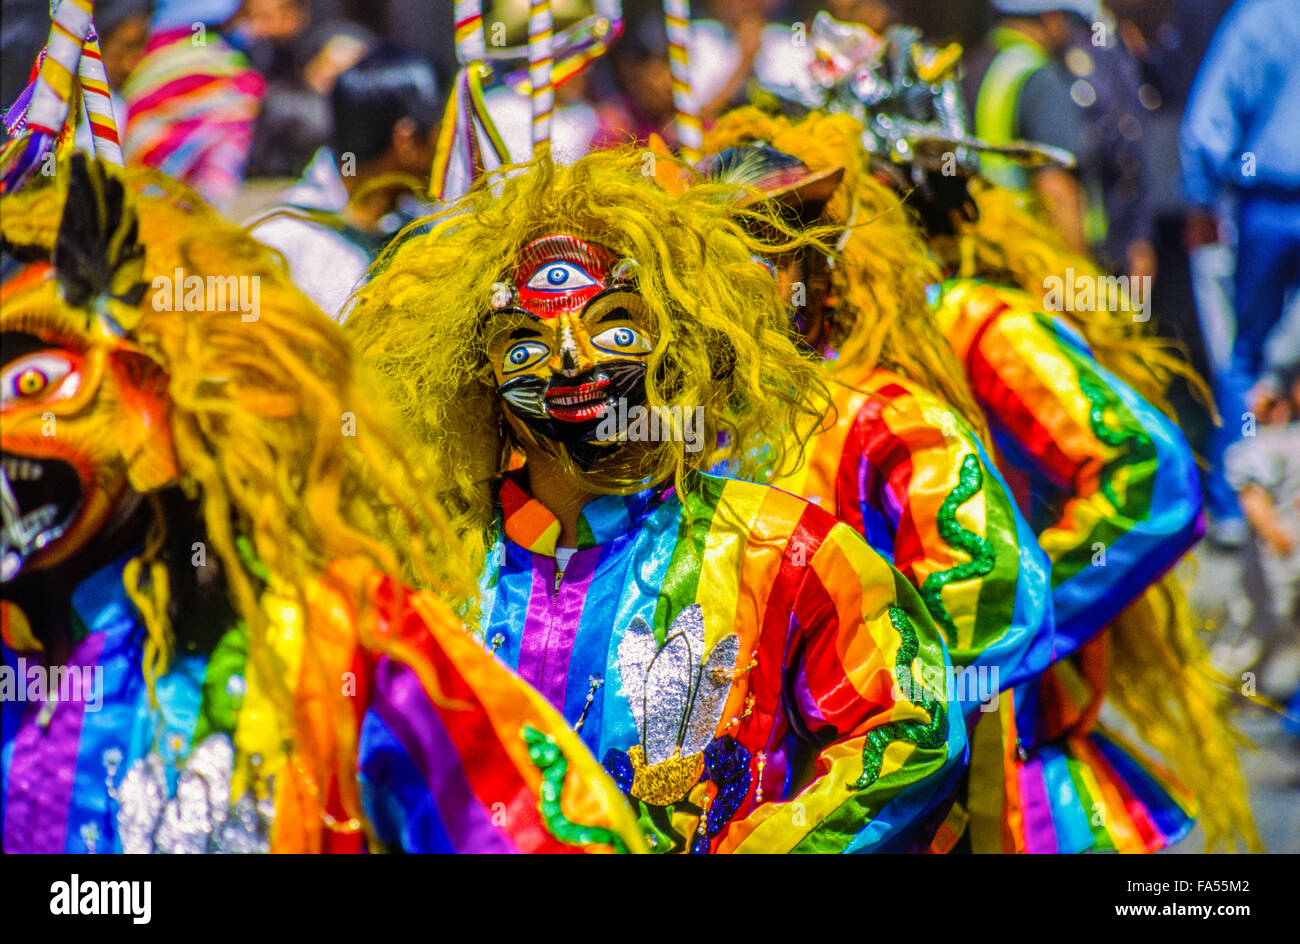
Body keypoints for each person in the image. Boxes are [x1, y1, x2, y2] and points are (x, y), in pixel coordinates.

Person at [0, 154, 641, 854]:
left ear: (157, 390)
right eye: (526, 346)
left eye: (31, 383)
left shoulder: (350, 642)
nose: (574, 363)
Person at [346, 147, 968, 854]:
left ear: (676, 348)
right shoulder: (424, 562)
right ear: (476, 375)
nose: (572, 360)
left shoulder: (777, 549)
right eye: (524, 341)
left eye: (614, 326)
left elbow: (910, 730)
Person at [1181, 0, 1300, 543]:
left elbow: (1209, 121)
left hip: (1267, 208)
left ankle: (1232, 509)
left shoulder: (1261, 16)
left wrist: (1202, 200)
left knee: (1246, 351)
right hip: (1266, 205)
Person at [249, 47, 443, 322]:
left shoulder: (427, 234)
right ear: (407, 140)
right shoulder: (277, 242)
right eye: (444, 134)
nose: (450, 152)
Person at [962, 0, 1093, 254]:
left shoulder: (972, 65)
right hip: (1032, 257)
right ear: (1051, 18)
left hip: (980, 249)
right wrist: (1077, 276)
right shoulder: (1038, 77)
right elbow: (1056, 190)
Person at [122, 0, 265, 209]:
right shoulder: (231, 79)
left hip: (133, 200)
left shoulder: (147, 61)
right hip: (188, 218)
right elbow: (218, 179)